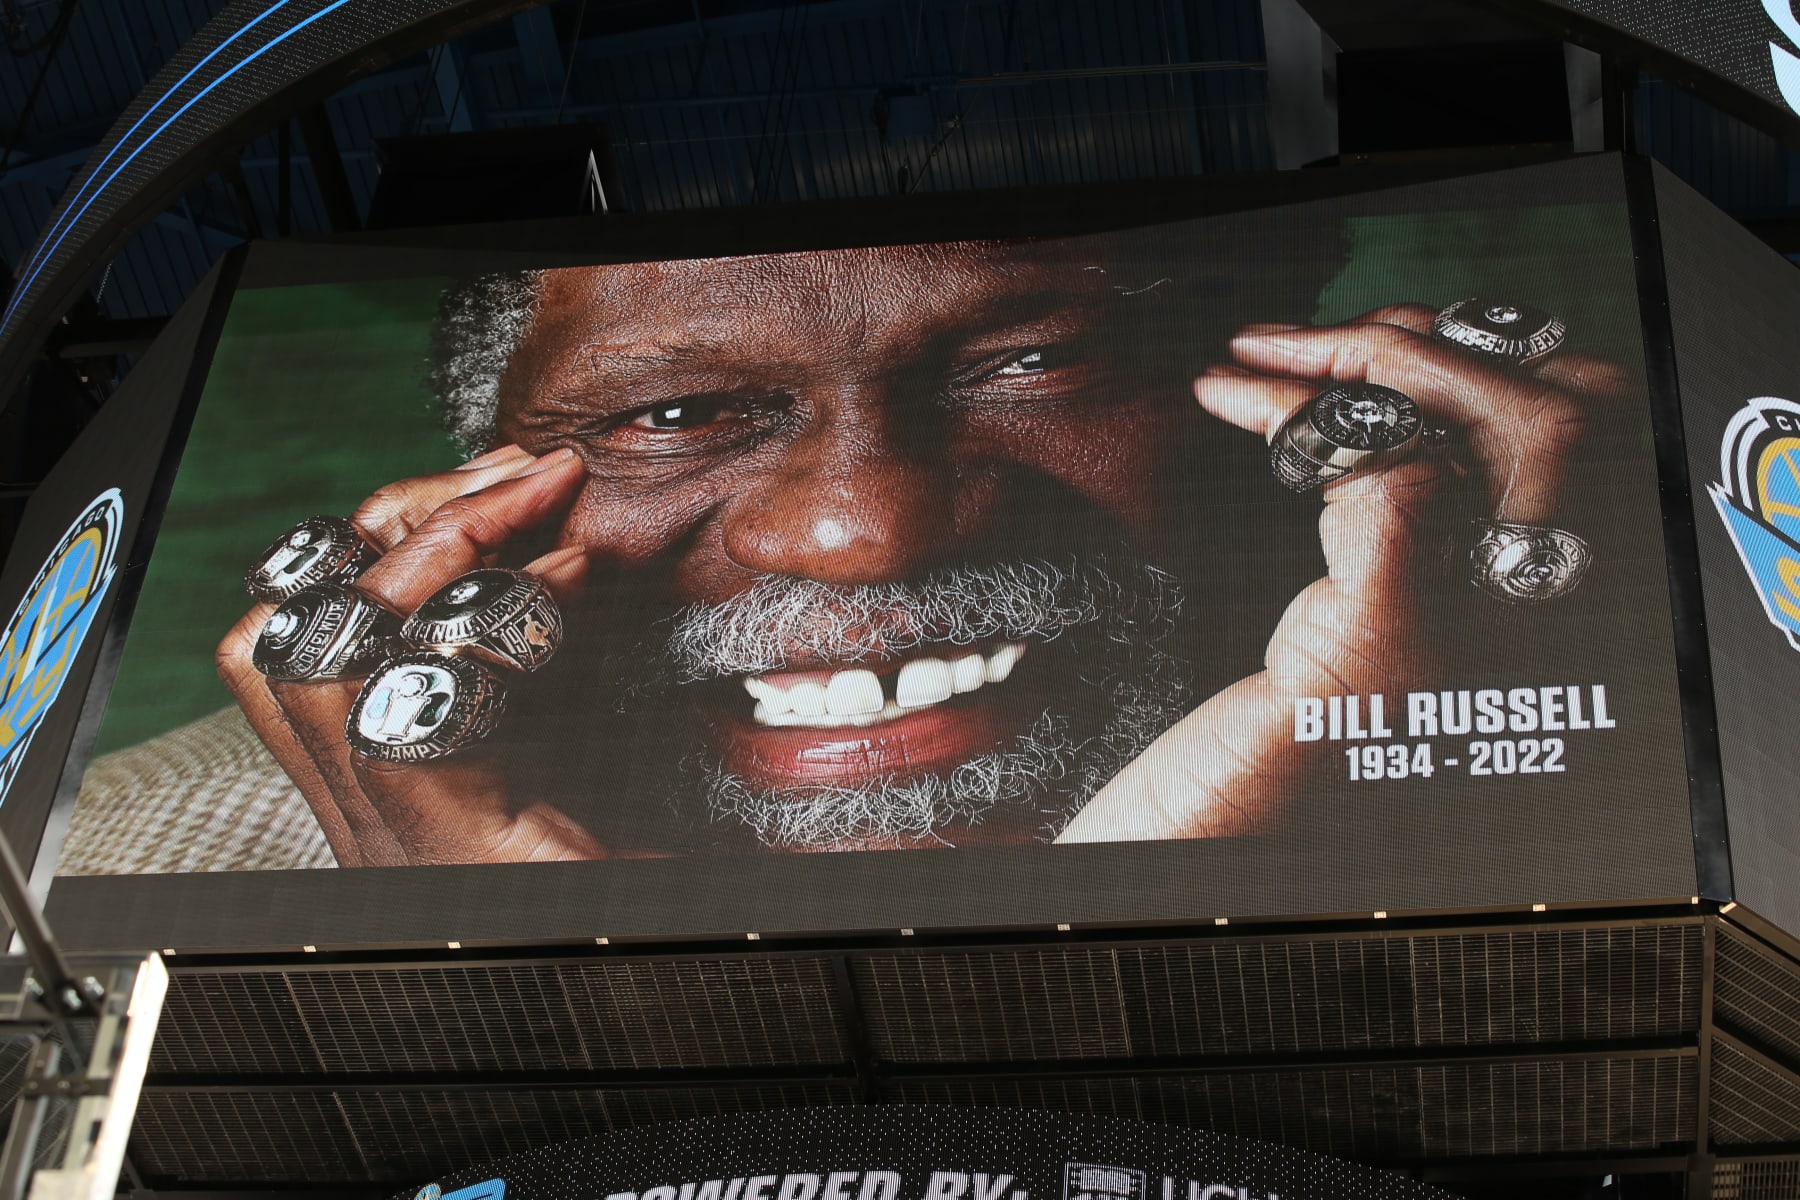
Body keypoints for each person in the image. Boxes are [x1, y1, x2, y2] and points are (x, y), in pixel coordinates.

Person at [65, 233, 1628, 871]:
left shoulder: (1610, 731)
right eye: (676, 412)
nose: (859, 533)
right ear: (464, 498)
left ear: (1301, 391)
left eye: (1035, 366)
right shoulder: (131, 861)